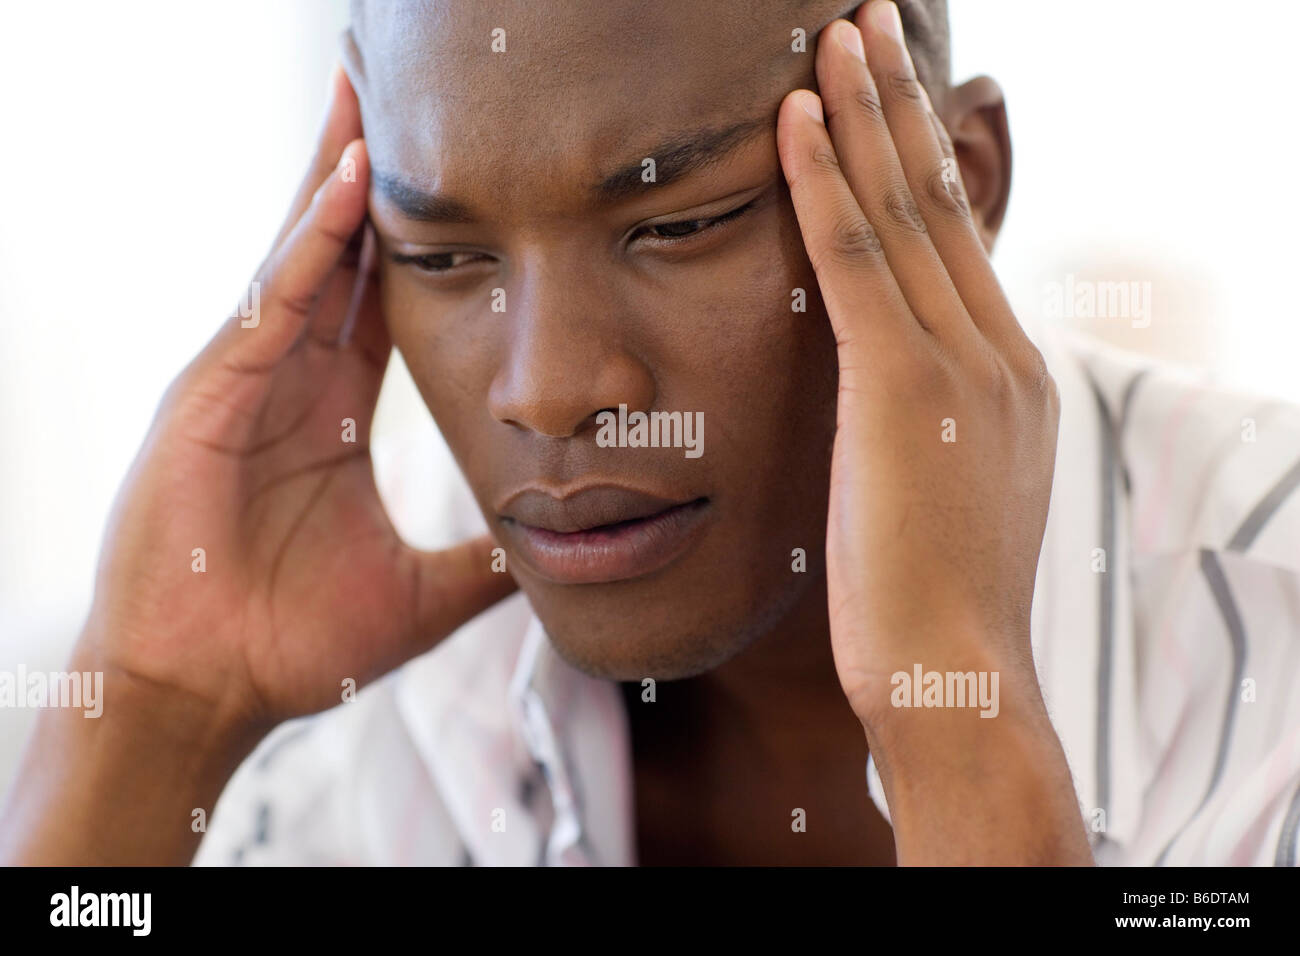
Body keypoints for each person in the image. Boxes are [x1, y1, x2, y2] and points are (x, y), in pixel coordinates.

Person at [2, 0, 1298, 866]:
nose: (550, 390)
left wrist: (957, 727)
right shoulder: (356, 695)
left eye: (676, 226)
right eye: (443, 253)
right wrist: (151, 723)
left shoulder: (1269, 656)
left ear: (957, 185)